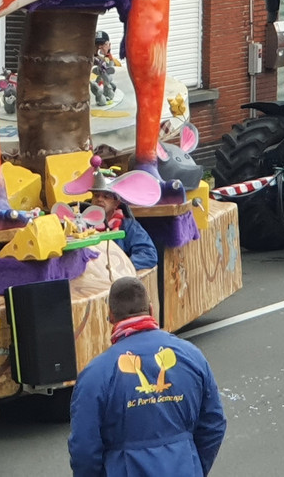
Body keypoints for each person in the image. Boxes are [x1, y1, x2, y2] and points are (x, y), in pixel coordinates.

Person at [68, 277, 226, 476]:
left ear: (110, 316)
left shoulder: (96, 374)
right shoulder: (192, 357)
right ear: (151, 309)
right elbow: (214, 423)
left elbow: (84, 448)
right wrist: (193, 465)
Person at [90, 186, 158, 271]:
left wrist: (121, 266)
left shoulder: (129, 226)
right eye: (96, 195)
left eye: (106, 197)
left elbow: (148, 255)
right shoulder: (81, 225)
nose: (99, 199)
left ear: (116, 203)